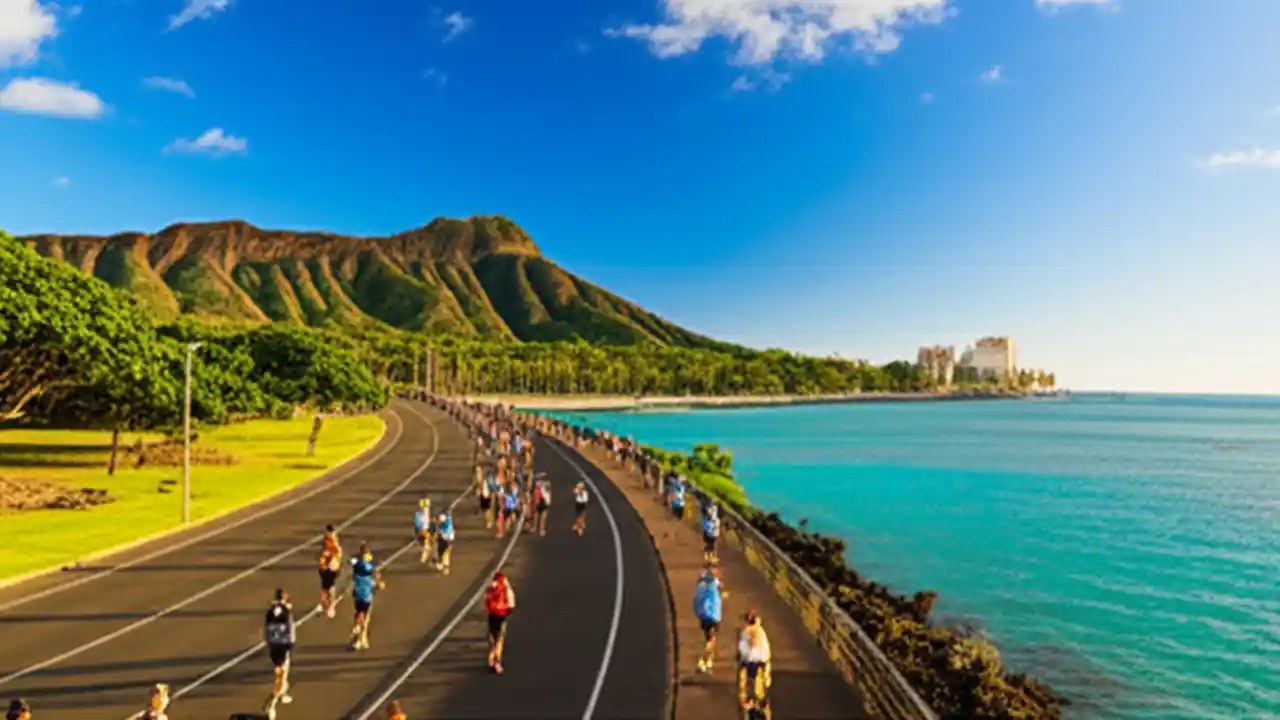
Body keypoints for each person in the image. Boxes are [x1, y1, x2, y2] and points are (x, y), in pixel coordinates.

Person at [263, 588, 297, 718]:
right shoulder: (286, 612)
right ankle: (272, 702)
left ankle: (282, 694)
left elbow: (267, 628)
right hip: (282, 645)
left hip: (274, 645)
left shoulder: (271, 611)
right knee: (281, 677)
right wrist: (290, 643)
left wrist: (269, 641)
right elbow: (290, 628)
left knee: (281, 673)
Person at [737, 609, 772, 718]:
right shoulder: (761, 632)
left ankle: (753, 711)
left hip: (752, 666)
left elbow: (743, 652)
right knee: (760, 697)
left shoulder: (746, 633)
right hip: (760, 666)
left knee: (748, 697)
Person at [349, 542, 384, 650]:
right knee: (365, 616)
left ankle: (359, 637)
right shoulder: (370, 562)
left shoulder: (356, 561)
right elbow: (376, 574)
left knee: (359, 614)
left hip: (358, 592)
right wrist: (378, 584)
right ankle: (360, 638)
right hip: (366, 593)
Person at [693, 566, 726, 674]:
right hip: (712, 615)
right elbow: (715, 595)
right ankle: (703, 661)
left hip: (704, 615)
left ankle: (708, 662)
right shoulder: (711, 584)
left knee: (710, 639)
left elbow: (697, 600)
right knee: (711, 639)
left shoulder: (701, 585)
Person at [484, 572, 517, 675]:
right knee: (499, 639)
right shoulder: (506, 587)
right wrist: (507, 611)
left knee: (492, 636)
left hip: (492, 615)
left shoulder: (491, 586)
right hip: (501, 615)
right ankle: (497, 661)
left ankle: (491, 657)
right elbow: (511, 603)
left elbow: (486, 600)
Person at [317, 524, 342, 619]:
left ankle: (330, 606)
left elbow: (335, 552)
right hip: (328, 567)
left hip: (330, 567)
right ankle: (329, 606)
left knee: (329, 587)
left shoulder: (331, 540)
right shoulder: (330, 539)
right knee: (327, 588)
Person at [414, 498, 434, 565]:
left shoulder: (419, 514)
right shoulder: (419, 515)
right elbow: (419, 526)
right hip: (422, 532)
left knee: (427, 547)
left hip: (423, 531)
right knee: (427, 547)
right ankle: (425, 559)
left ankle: (424, 559)